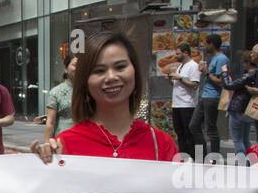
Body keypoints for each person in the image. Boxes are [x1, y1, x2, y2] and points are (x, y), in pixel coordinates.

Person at [30, 32, 180, 163]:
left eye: (120, 67)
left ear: (134, 71)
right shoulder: (65, 146)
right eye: (99, 71)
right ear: (85, 81)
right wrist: (44, 164)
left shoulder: (162, 144)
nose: (111, 77)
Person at [197, 34, 228, 155]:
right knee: (194, 125)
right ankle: (203, 153)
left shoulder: (221, 59)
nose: (205, 46)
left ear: (211, 44)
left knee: (211, 128)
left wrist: (206, 73)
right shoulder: (213, 58)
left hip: (212, 97)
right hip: (205, 96)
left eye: (206, 44)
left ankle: (215, 156)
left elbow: (221, 81)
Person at [169, 43, 201, 159]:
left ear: (185, 53)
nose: (175, 56)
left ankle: (192, 157)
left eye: (178, 54)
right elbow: (177, 84)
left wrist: (180, 78)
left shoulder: (193, 66)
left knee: (189, 133)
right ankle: (183, 156)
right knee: (180, 132)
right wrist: (170, 78)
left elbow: (194, 84)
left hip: (187, 104)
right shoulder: (180, 66)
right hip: (176, 104)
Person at [224, 50, 258, 155]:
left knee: (237, 139)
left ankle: (241, 163)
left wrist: (224, 73)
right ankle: (250, 161)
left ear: (248, 62)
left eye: (243, 62)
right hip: (249, 109)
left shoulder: (247, 76)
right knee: (245, 139)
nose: (242, 64)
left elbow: (228, 85)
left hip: (237, 109)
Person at [42, 49, 76, 143]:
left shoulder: (91, 90)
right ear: (66, 68)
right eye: (75, 65)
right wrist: (47, 144)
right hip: (63, 142)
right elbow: (50, 123)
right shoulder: (56, 92)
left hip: (85, 142)